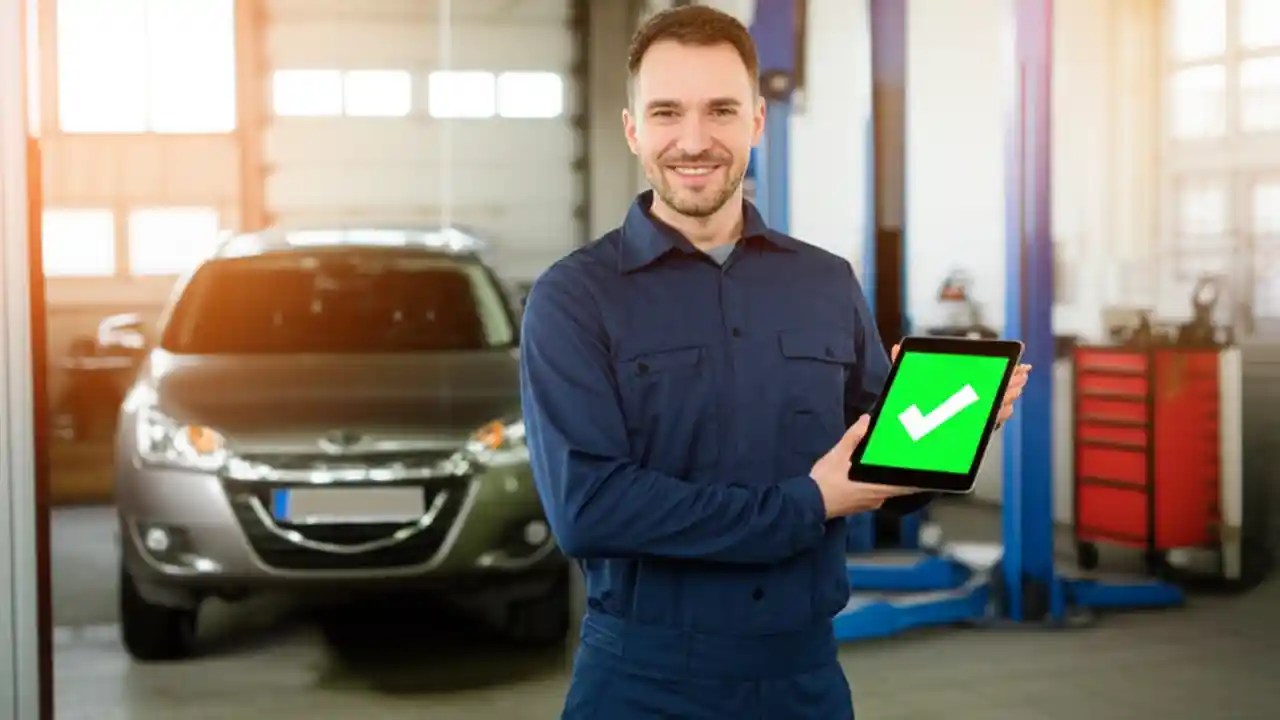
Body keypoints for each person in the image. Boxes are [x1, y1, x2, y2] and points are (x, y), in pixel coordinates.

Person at [518, 6, 1030, 718]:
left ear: (757, 120)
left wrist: (951, 427)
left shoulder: (825, 283)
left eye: (721, 111)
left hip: (804, 677)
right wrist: (809, 502)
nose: (693, 140)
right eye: (667, 112)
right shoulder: (574, 299)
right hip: (644, 682)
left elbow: (882, 477)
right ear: (633, 128)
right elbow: (590, 510)